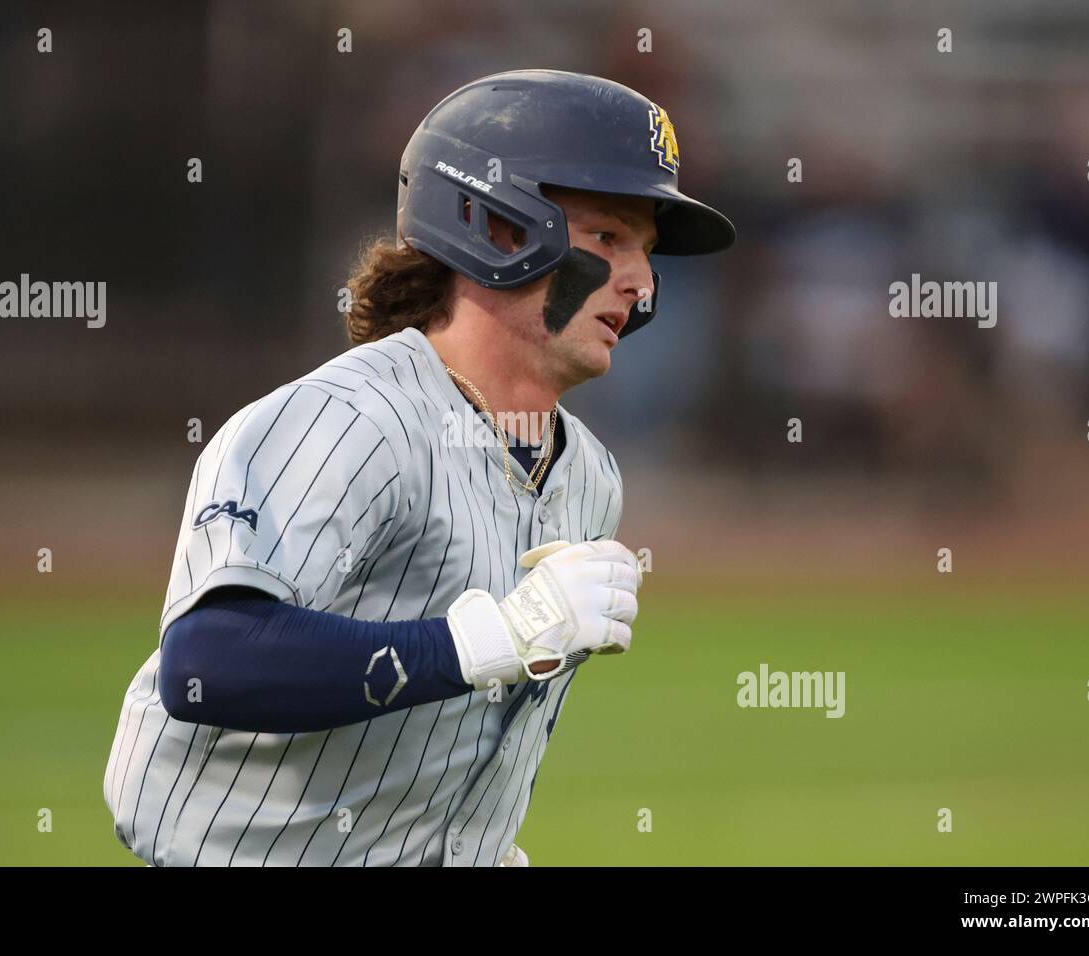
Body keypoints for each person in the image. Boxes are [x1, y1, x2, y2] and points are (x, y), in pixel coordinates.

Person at [102, 68, 734, 867]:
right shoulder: (352, 418)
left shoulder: (589, 477)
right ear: (500, 227)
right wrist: (492, 640)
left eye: (643, 252)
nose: (641, 282)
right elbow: (209, 661)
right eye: (609, 238)